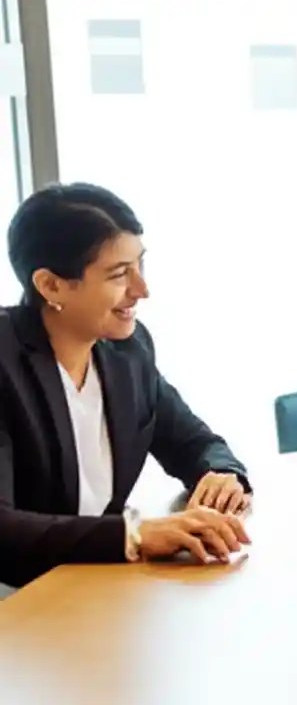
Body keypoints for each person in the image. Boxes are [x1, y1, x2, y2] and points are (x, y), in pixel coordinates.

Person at [0, 183, 252, 590]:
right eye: (119, 274)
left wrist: (221, 474)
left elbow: (193, 442)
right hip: (18, 598)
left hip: (99, 587)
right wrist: (132, 535)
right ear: (50, 285)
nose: (141, 290)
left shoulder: (128, 351)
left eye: (140, 266)